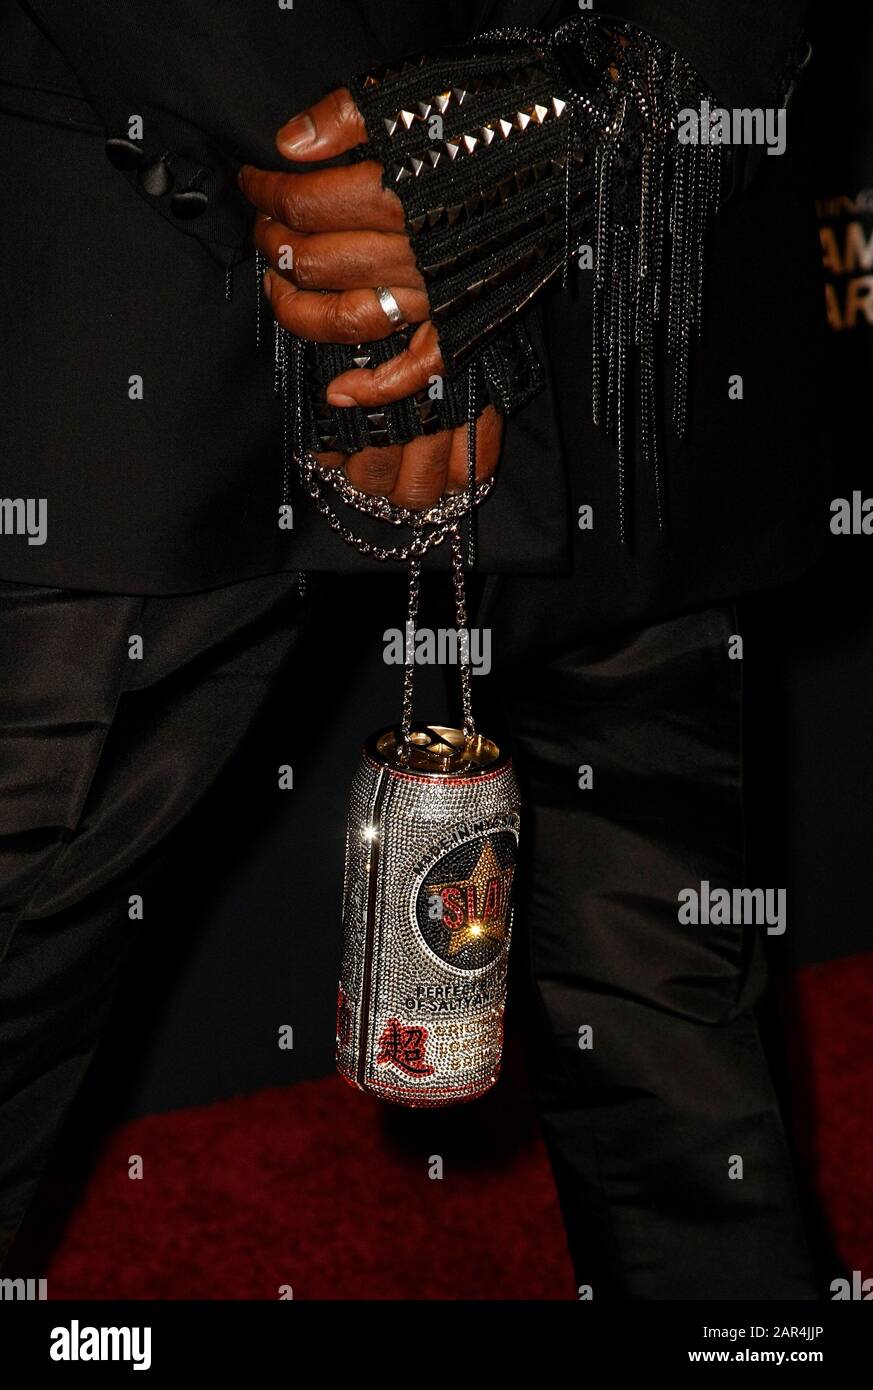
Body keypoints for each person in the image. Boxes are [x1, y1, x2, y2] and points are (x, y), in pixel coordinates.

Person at [0, 0, 822, 1297]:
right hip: (158, 199)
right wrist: (392, 249)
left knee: (662, 979)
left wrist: (585, 116)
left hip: (606, 237)